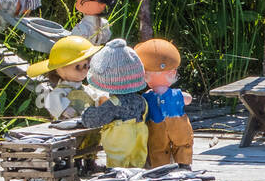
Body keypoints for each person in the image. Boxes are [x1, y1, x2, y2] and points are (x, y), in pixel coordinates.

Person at [79, 39, 150, 168]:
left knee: (117, 173)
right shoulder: (141, 100)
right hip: (138, 146)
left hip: (119, 150)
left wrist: (86, 113)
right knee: (136, 169)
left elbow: (94, 119)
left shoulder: (113, 104)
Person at [135, 38, 193, 168]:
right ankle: (184, 164)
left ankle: (161, 167)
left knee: (157, 148)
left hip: (156, 126)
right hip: (179, 124)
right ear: (172, 72)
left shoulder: (146, 97)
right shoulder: (177, 94)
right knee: (183, 144)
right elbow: (188, 99)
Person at [26, 35, 104, 120]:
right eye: (77, 67)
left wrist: (101, 100)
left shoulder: (85, 89)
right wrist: (65, 110)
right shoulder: (60, 91)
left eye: (85, 65)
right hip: (69, 125)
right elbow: (52, 101)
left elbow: (95, 97)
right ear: (59, 70)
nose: (83, 70)